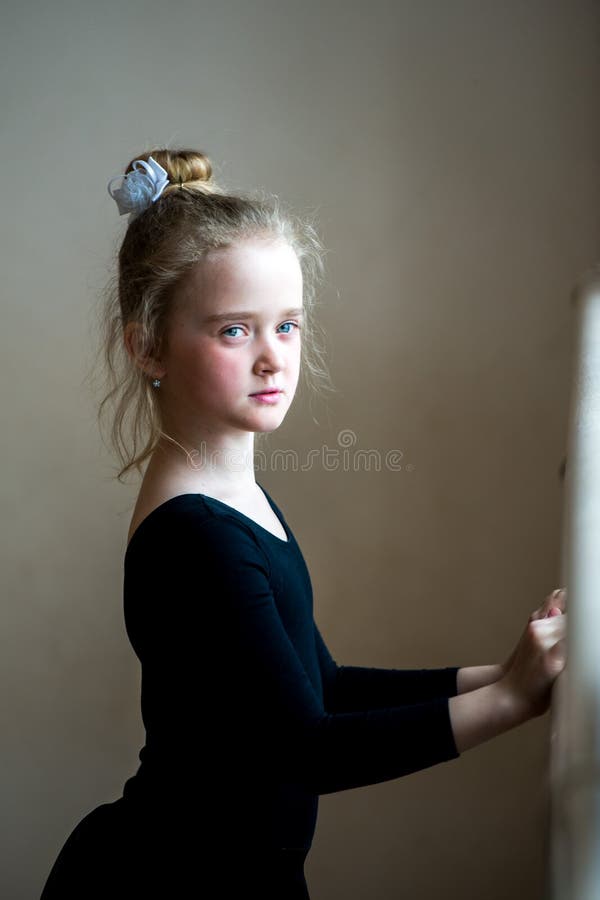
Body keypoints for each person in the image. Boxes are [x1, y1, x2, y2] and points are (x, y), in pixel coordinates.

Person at [39, 148, 567, 899]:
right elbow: (305, 749)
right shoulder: (197, 537)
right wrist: (509, 701)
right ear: (147, 346)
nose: (271, 358)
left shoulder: (234, 501)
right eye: (233, 331)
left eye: (287, 326)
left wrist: (508, 673)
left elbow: (319, 687)